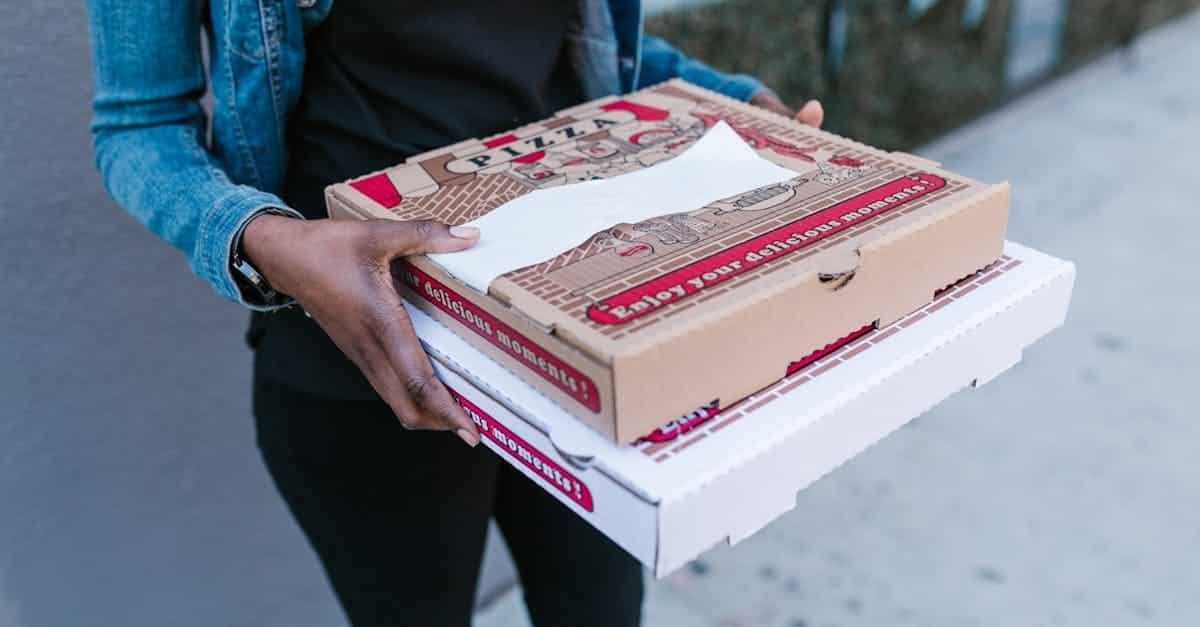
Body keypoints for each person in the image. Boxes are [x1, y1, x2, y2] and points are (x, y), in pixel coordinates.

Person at [85, 2, 823, 625]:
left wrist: (730, 103)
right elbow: (138, 125)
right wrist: (269, 242)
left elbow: (586, 47)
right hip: (361, 360)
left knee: (601, 605)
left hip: (578, 338)